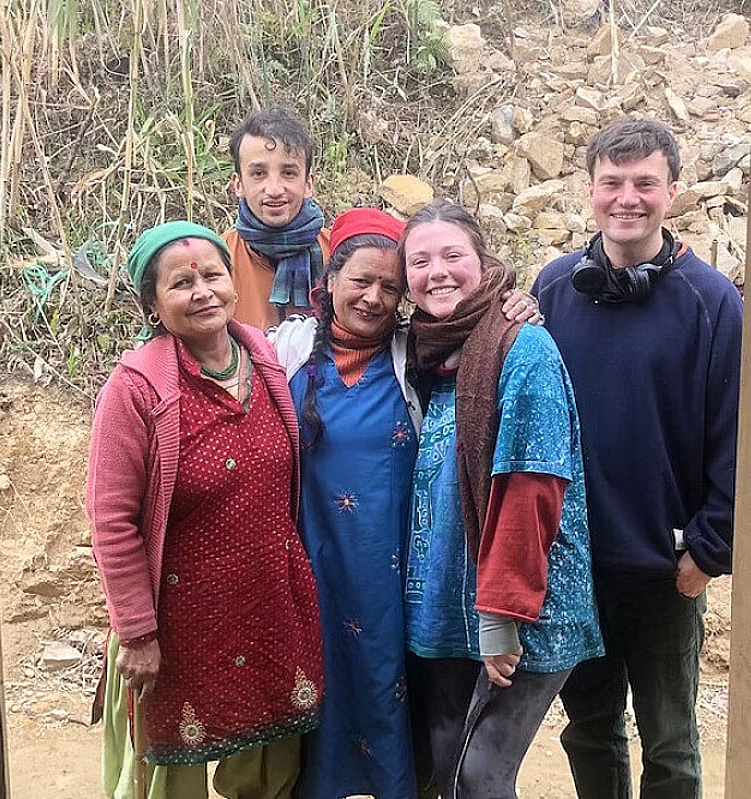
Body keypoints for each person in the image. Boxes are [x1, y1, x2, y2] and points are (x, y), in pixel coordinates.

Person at [268, 208, 543, 799]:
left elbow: (474, 326)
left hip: (397, 566)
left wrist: (513, 303)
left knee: (395, 688)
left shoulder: (415, 351)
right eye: (359, 281)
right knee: (322, 684)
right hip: (315, 561)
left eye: (389, 287)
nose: (372, 297)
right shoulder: (283, 349)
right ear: (329, 281)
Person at [531, 118, 742, 799]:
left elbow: (735, 434)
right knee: (589, 728)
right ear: (589, 191)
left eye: (645, 183)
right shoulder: (555, 289)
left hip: (664, 566)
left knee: (671, 742)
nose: (628, 198)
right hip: (574, 564)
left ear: (673, 193)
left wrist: (709, 550)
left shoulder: (711, 302)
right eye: (612, 182)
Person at [87, 221, 324, 799]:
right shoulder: (137, 388)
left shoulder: (264, 358)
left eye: (213, 274)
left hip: (268, 605)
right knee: (171, 776)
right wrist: (137, 632)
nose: (203, 291)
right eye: (181, 283)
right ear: (152, 303)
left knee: (269, 770)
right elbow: (110, 519)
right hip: (177, 622)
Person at [397, 200, 603, 798]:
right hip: (445, 605)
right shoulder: (426, 355)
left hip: (522, 608)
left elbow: (529, 485)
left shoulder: (521, 349)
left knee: (482, 774)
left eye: (452, 255)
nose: (437, 271)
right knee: (442, 761)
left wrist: (502, 620)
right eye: (420, 260)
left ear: (484, 261)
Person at [222, 107, 333, 330]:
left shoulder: (337, 252)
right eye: (258, 174)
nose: (274, 189)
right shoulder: (219, 259)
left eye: (288, 173)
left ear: (308, 184)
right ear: (238, 184)